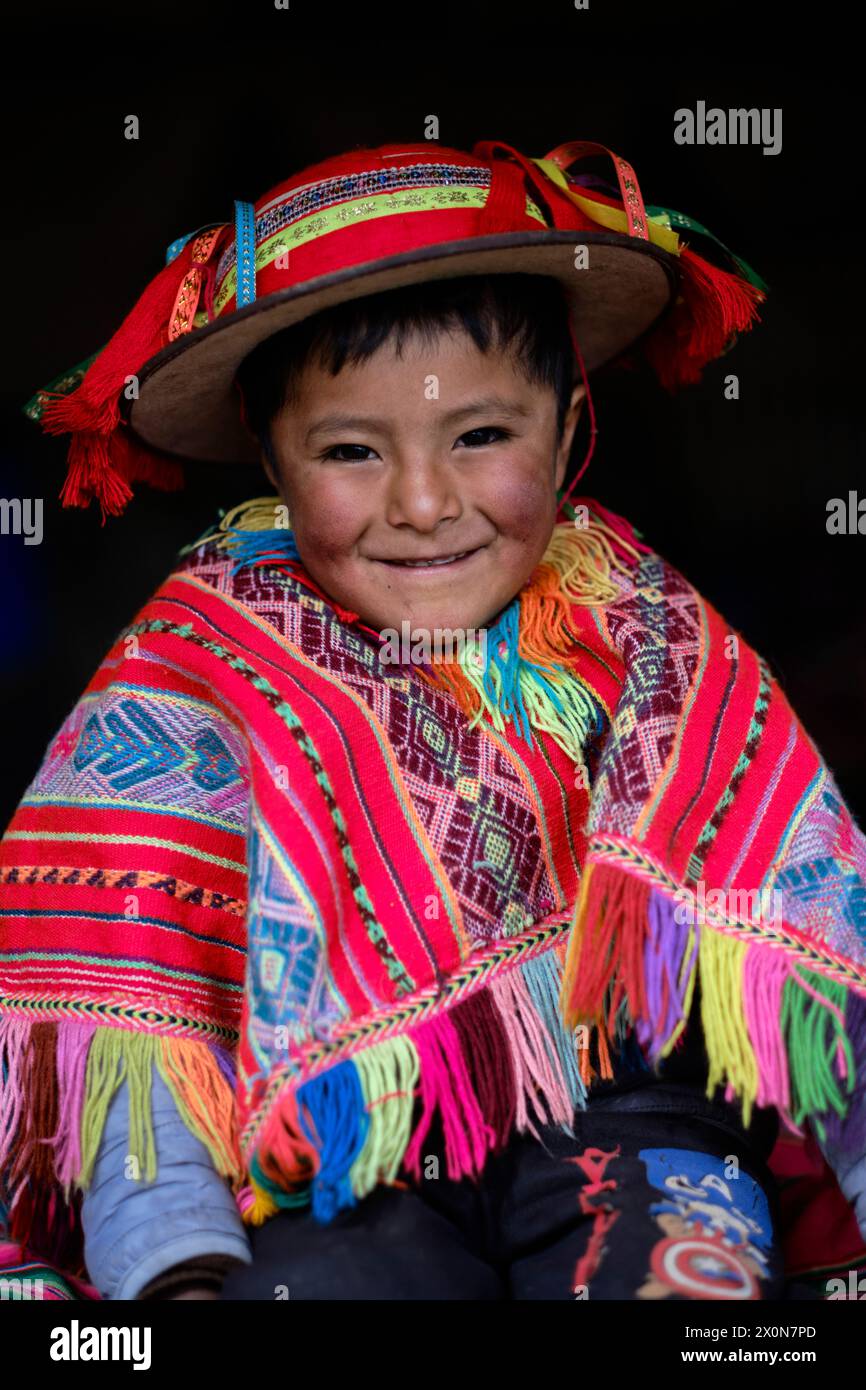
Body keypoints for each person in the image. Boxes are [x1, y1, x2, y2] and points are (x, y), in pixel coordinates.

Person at [1, 137, 865, 1302]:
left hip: (636, 1133)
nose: (421, 503)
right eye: (351, 451)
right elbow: (129, 1000)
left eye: (480, 435)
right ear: (273, 462)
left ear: (564, 429)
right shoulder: (198, 667)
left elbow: (808, 949)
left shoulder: (654, 635)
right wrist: (175, 1274)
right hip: (329, 1167)